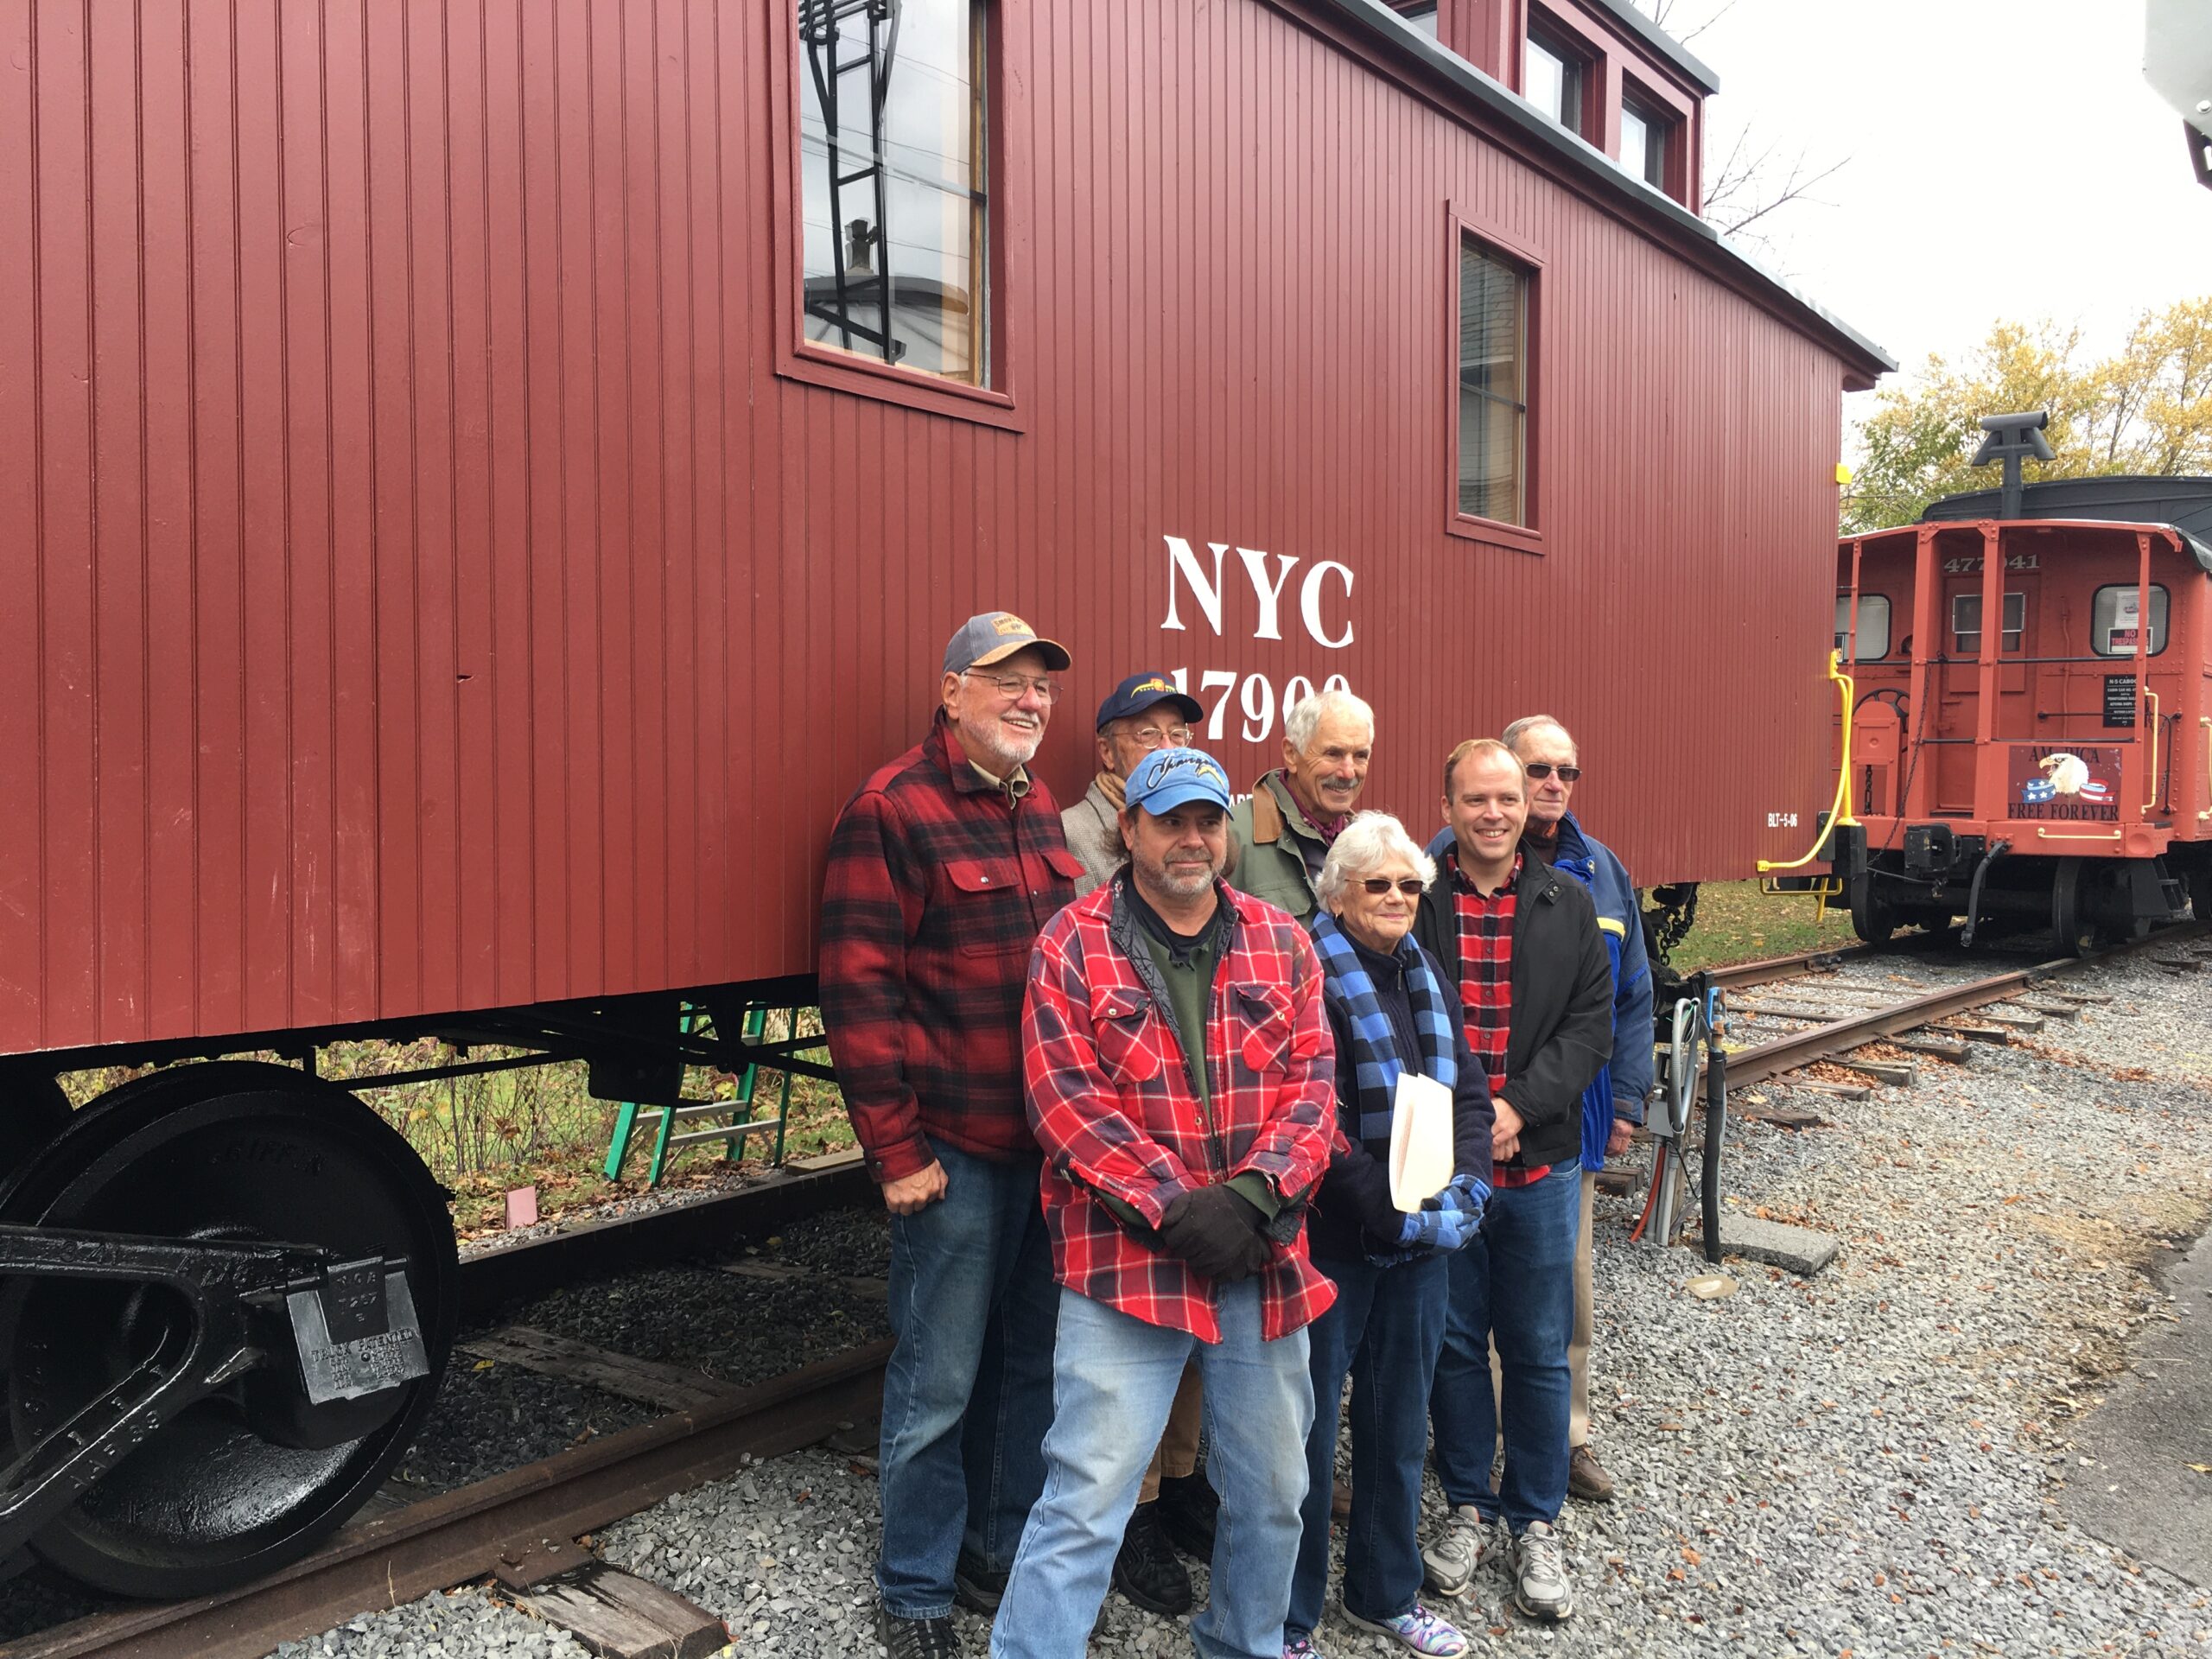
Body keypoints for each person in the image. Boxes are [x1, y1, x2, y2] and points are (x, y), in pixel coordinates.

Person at [991, 746, 1338, 1659]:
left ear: (1225, 832)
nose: (1192, 838)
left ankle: (1242, 1644)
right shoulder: (1070, 944)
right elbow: (1064, 1103)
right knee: (1086, 1499)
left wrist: (1256, 1197)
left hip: (1258, 1260)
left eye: (1207, 820)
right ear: (1128, 830)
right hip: (1126, 1264)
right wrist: (1179, 1210)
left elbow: (1314, 1089)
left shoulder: (1282, 939)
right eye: (1171, 820)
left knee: (1271, 1497)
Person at [820, 612, 1087, 1659]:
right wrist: (893, 1152)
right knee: (937, 1379)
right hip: (956, 1156)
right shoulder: (893, 809)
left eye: (1042, 687)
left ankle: (994, 1548)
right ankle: (915, 1589)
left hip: (1046, 1151)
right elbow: (858, 989)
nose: (1030, 700)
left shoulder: (1039, 807)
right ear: (949, 692)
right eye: (1006, 681)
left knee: (1027, 1367)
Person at [1286, 814, 1495, 1659]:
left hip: (1420, 1247)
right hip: (1333, 1243)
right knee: (1301, 1442)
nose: (1398, 898)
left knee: (1397, 1426)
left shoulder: (1422, 972)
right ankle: (1290, 1617)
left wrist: (1467, 1189)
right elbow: (1312, 1116)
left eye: (1410, 884)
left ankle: (1383, 1594)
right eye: (1379, 884)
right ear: (1338, 894)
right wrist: (1387, 1207)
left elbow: (1470, 1098)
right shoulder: (1306, 968)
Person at [1412, 740, 1611, 1625]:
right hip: (1442, 1163)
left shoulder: (1567, 902)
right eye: (1476, 799)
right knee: (1453, 1343)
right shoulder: (1413, 898)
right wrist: (1465, 1119)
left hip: (1534, 1164)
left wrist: (1515, 1109)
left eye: (1507, 797)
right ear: (1447, 804)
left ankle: (1534, 1520)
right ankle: (1466, 1505)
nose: (1494, 813)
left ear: (1526, 806)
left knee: (1533, 1347)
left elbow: (1588, 1026)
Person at [1499, 715, 1654, 1504]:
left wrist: (1626, 1098)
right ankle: (1474, 1435)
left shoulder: (1602, 870)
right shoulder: (1450, 856)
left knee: (1567, 1285)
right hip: (1477, 1115)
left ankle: (1564, 1439)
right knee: (1470, 1292)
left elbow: (1631, 996)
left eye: (1566, 771)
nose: (1553, 783)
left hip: (1570, 1113)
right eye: (1538, 768)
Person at [1229, 689, 1375, 925]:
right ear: (1291, 754)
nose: (1348, 772)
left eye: (1360, 756)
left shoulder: (1370, 849)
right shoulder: (1232, 836)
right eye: (1333, 753)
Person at [1062, 672, 1205, 896]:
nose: (1168, 749)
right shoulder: (1071, 834)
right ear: (1107, 752)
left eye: (1177, 734)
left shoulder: (1204, 830)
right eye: (1148, 734)